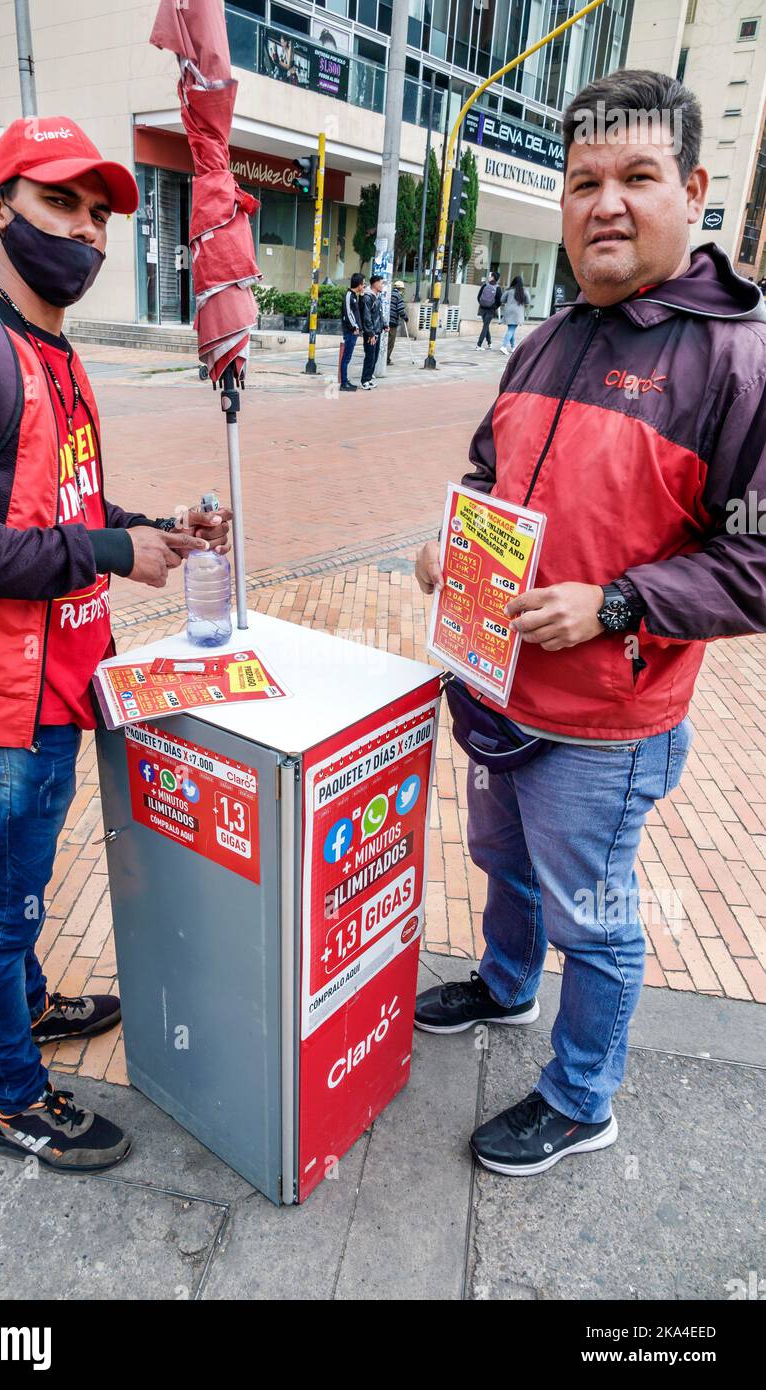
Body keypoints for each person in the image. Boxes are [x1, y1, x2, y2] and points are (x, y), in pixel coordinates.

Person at [414, 69, 766, 1177]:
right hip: (497, 691)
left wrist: (613, 602)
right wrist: (453, 541)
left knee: (595, 916)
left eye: (634, 177)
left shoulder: (736, 360)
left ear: (692, 190)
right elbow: (489, 468)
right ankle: (507, 986)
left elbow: (756, 560)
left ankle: (580, 1096)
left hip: (605, 728)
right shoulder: (547, 335)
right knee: (496, 860)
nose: (604, 203)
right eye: (582, 181)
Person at [0, 115, 232, 1175]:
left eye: (98, 214)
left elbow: (62, 502)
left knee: (25, 878)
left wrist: (152, 530)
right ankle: (11, 1097)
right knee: (2, 897)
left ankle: (29, 1005)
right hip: (0, 694)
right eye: (59, 204)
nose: (86, 233)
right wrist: (102, 546)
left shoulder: (48, 342)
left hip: (58, 679)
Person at [340, 271, 364, 391]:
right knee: (346, 358)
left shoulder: (355, 296)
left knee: (347, 358)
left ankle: (345, 381)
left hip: (353, 331)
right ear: (359, 285)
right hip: (350, 331)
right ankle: (344, 383)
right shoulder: (349, 295)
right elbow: (348, 313)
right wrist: (355, 327)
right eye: (363, 284)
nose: (363, 286)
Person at [361, 273, 384, 389]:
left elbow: (379, 314)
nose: (382, 285)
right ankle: (365, 380)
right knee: (370, 356)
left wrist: (384, 325)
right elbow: (367, 317)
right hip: (371, 333)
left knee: (374, 356)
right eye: (381, 283)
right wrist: (370, 333)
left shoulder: (376, 297)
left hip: (377, 331)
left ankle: (369, 379)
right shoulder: (368, 297)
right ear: (375, 284)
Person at [499, 274, 530, 355]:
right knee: (511, 330)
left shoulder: (509, 290)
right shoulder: (524, 291)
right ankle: (504, 346)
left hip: (508, 311)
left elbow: (502, 299)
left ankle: (513, 347)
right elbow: (528, 301)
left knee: (511, 329)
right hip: (518, 312)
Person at [476, 271, 501, 350]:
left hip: (482, 309)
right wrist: (494, 307)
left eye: (490, 276)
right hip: (491, 310)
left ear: (493, 277)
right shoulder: (498, 288)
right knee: (486, 326)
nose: (489, 277)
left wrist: (482, 303)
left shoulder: (485, 285)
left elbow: (478, 296)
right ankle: (484, 344)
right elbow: (499, 301)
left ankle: (483, 344)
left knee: (485, 326)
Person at [386, 279, 407, 364]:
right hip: (392, 322)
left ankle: (382, 358)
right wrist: (405, 317)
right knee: (391, 342)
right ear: (401, 289)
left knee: (385, 340)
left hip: (385, 321)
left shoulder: (389, 294)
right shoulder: (398, 296)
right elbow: (401, 310)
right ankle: (386, 359)